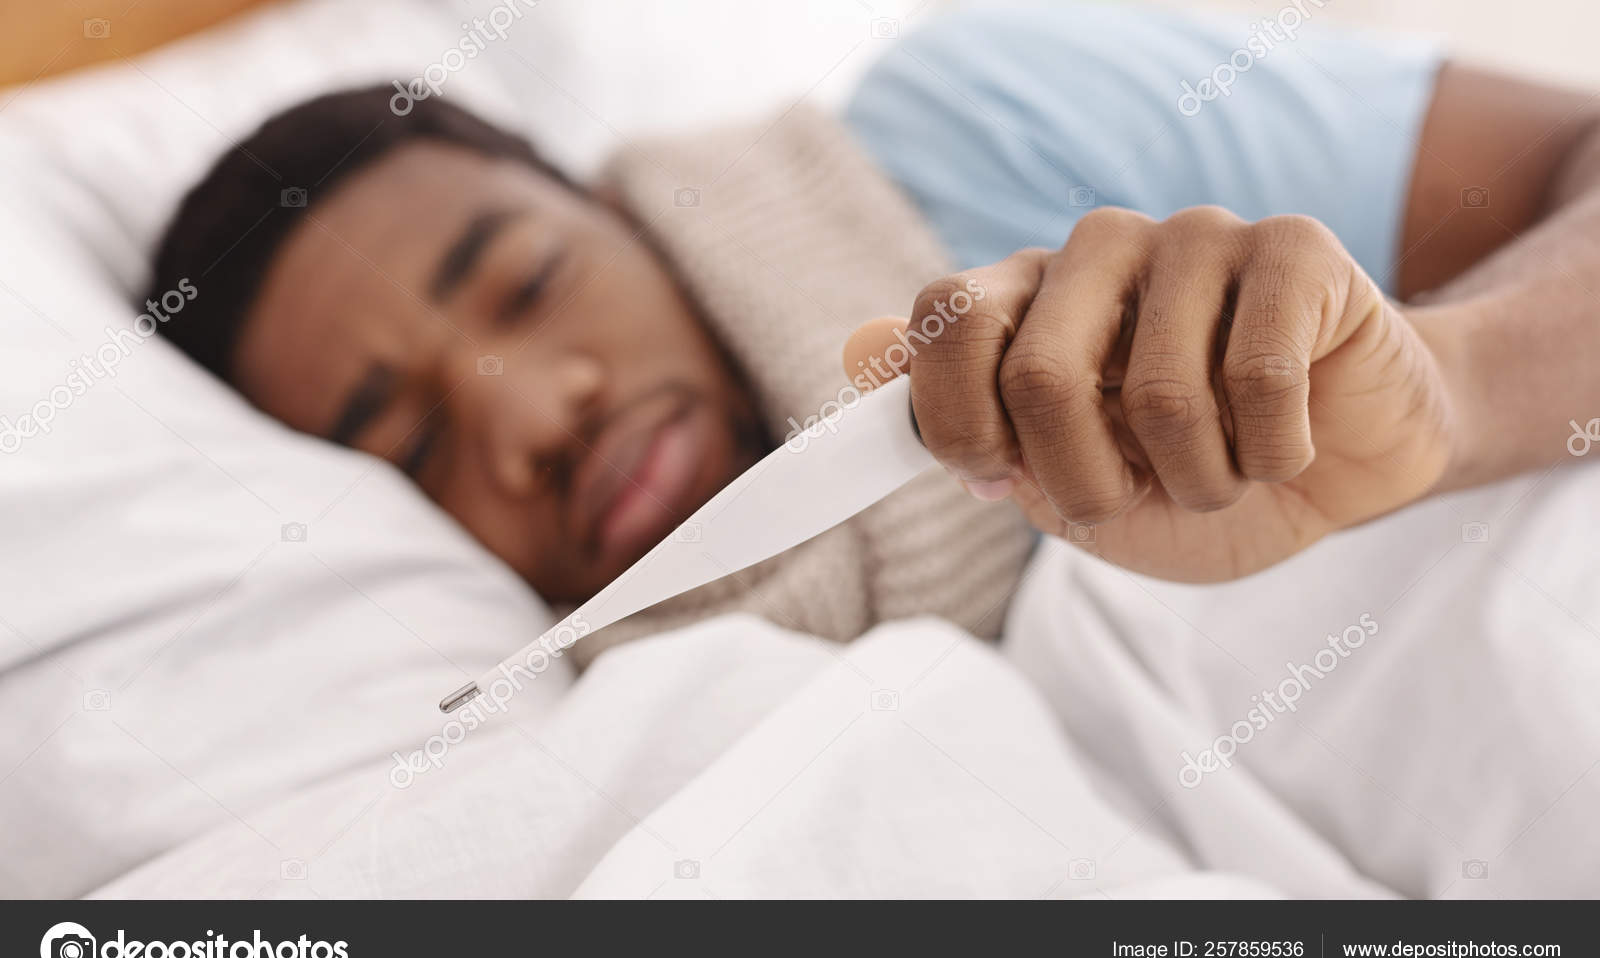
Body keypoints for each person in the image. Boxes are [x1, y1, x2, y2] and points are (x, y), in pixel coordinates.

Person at [147, 4, 1600, 652]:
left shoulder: (985, 109)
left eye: (530, 283)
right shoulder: (607, 739)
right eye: (411, 443)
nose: (533, 417)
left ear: (623, 208)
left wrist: (1454, 392)